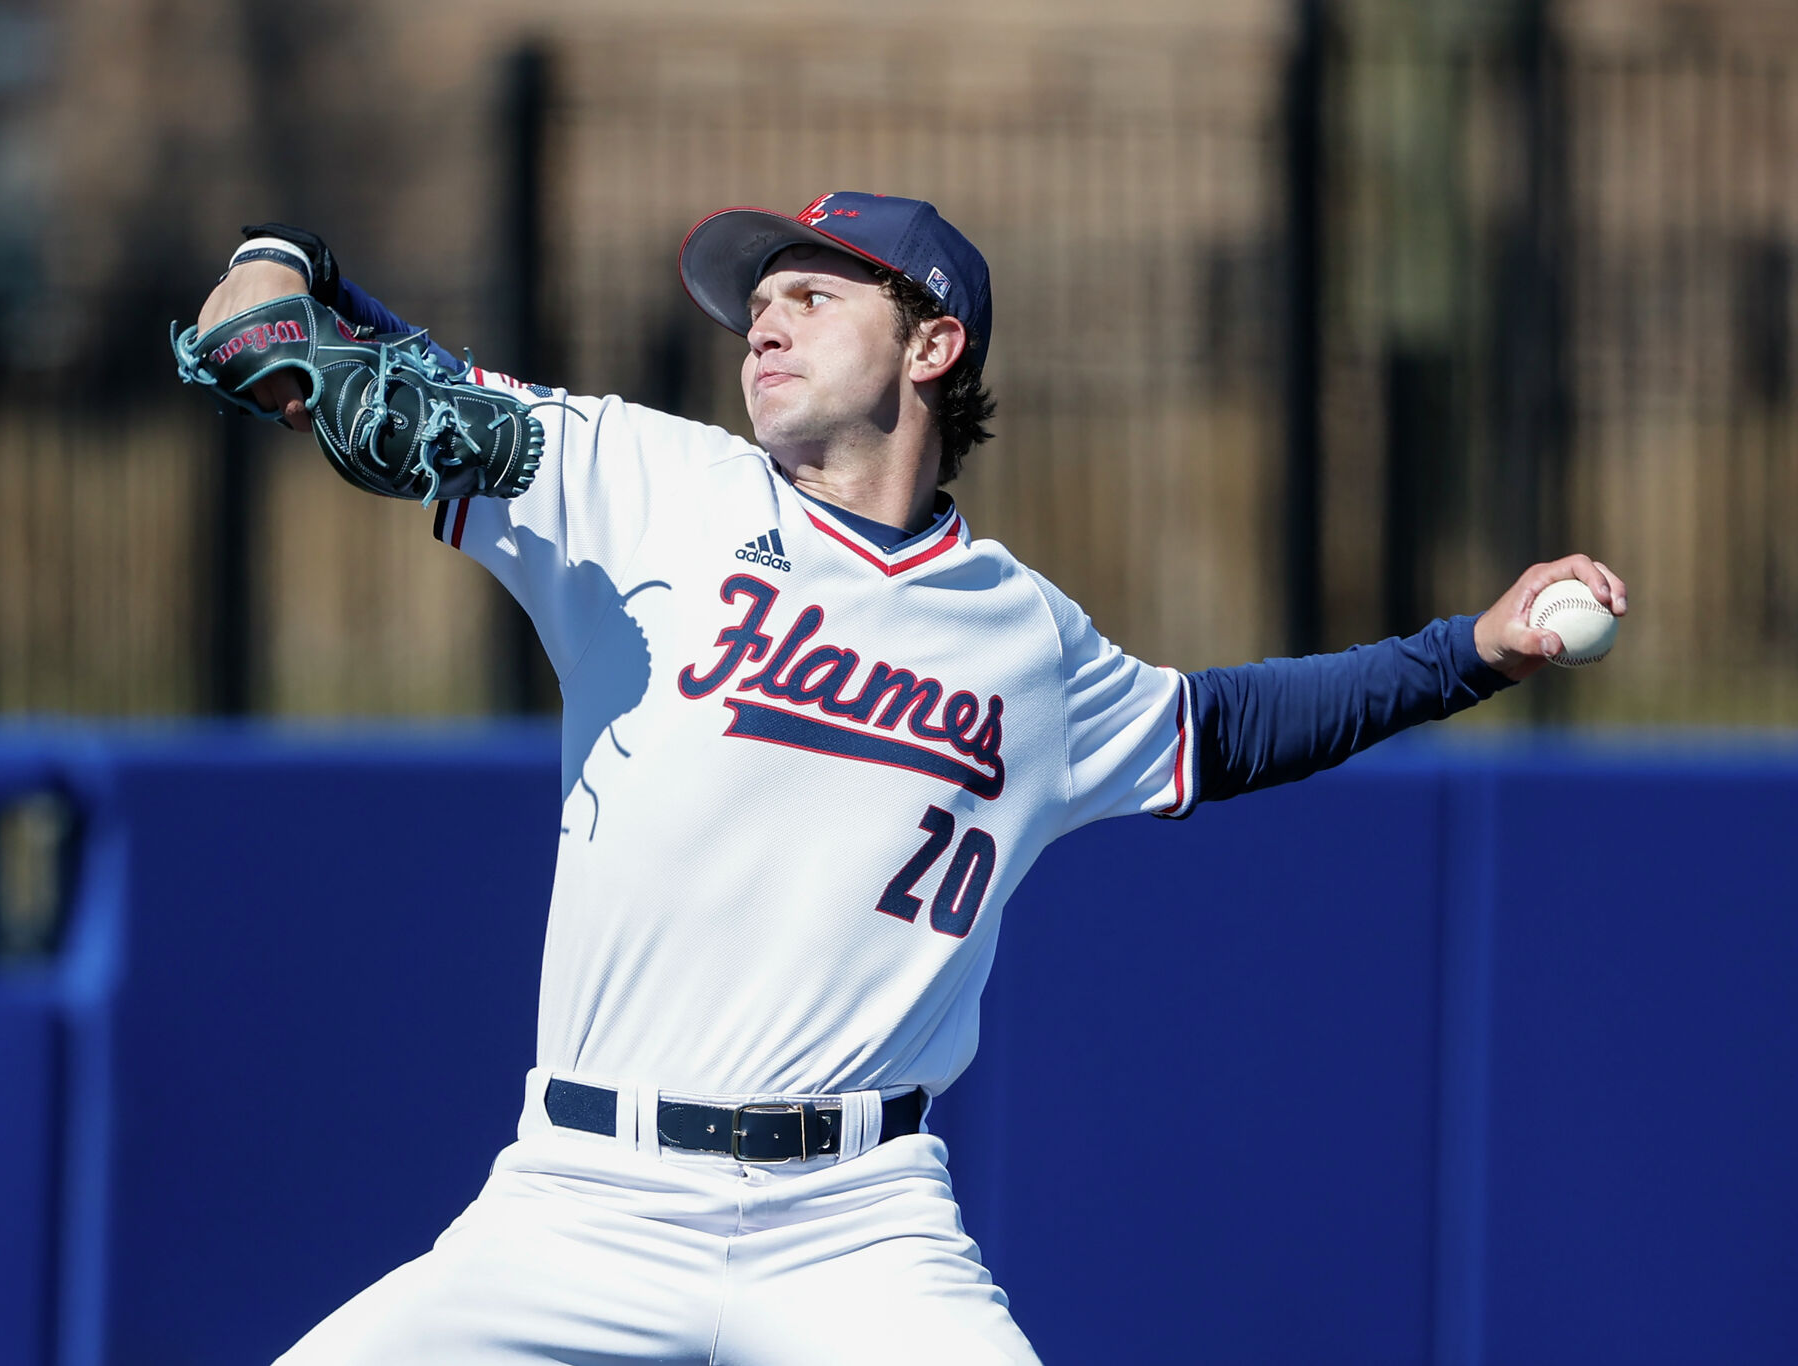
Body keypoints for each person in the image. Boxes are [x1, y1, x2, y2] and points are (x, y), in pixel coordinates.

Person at [194, 193, 1626, 1365]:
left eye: (812, 294)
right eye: (754, 302)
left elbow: (1224, 725)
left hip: (857, 1223)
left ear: (934, 343)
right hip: (583, 1199)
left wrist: (1473, 651)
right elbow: (298, 355)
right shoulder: (642, 480)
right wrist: (280, 268)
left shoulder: (1030, 640)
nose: (763, 316)